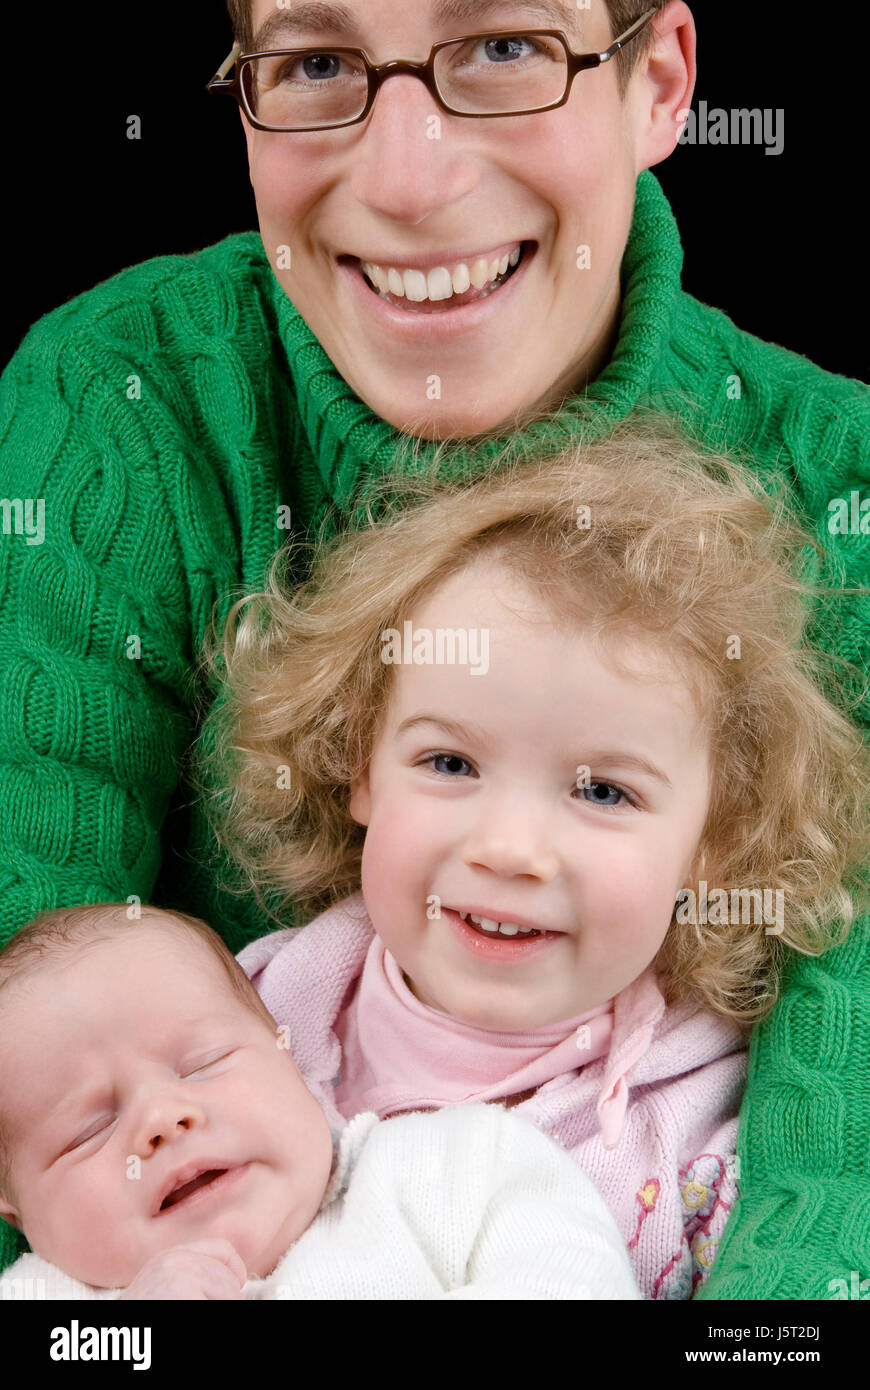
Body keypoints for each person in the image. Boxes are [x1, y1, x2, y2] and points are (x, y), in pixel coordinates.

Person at [0, 0, 866, 1299]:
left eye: (506, 48)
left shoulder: (839, 486)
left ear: (660, 83)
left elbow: (833, 1175)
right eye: (313, 62)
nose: (407, 179)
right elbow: (28, 1063)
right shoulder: (115, 413)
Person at [196, 419, 870, 1300]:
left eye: (602, 793)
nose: (509, 849)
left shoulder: (708, 1142)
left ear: (712, 843)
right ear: (359, 766)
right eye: (450, 764)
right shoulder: (232, 1035)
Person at [0, 902, 642, 1300]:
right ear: (16, 1209)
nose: (162, 1120)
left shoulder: (456, 1165)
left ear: (288, 1053)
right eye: (89, 1129)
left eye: (204, 1065)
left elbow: (574, 1278)